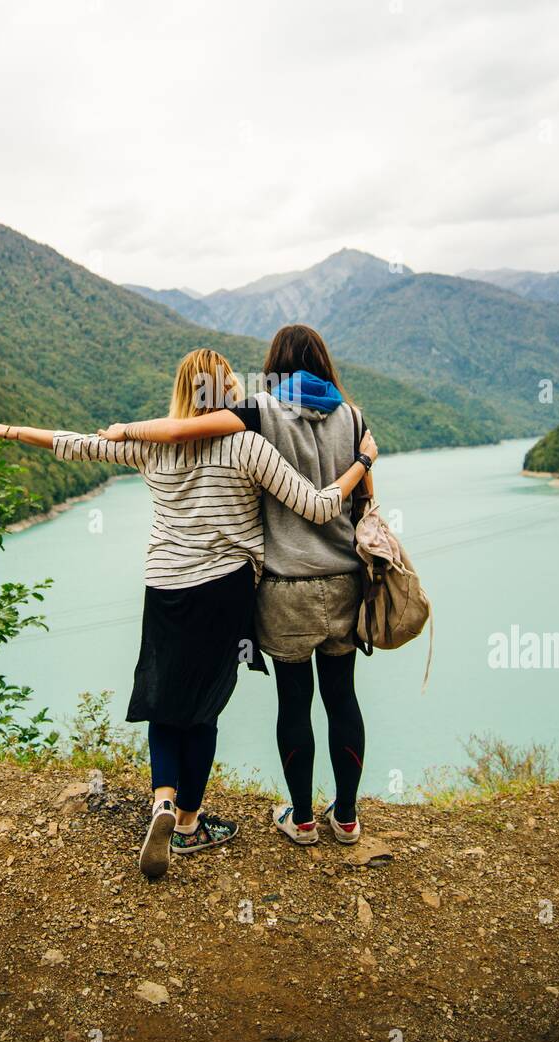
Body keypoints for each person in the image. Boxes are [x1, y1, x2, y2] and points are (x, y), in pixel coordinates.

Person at [0, 345, 377, 879]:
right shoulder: (247, 445)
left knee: (163, 701)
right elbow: (319, 506)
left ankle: (163, 800)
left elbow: (77, 445)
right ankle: (189, 822)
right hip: (225, 590)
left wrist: (11, 431)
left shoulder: (150, 447)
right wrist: (362, 463)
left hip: (163, 585)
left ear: (181, 391)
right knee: (204, 707)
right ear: (229, 389)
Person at [99, 324, 375, 847]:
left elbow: (181, 431)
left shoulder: (259, 411)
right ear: (323, 361)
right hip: (344, 580)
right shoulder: (354, 416)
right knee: (343, 697)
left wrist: (123, 430)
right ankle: (346, 818)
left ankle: (302, 820)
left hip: (286, 585)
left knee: (294, 701)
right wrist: (363, 463)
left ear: (274, 364)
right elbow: (362, 501)